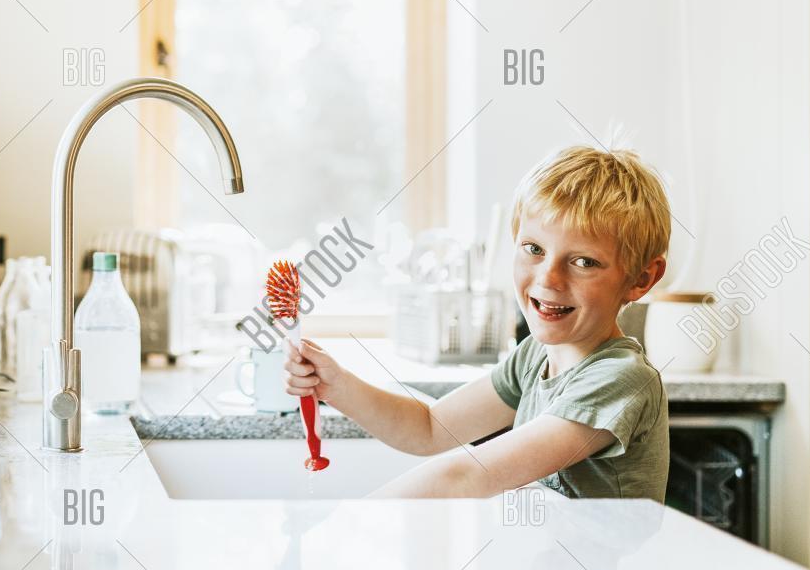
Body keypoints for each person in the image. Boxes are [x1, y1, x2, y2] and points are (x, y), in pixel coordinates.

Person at [284, 144, 671, 499]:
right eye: (534, 249)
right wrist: (336, 385)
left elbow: (468, 475)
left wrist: (354, 526)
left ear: (641, 279)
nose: (549, 279)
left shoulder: (620, 380)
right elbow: (430, 427)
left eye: (584, 262)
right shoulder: (535, 356)